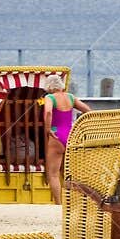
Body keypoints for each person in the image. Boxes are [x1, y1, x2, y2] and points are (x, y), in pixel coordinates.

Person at [41, 73, 87, 204]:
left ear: (49, 86)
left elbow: (49, 112)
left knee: (53, 173)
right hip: (70, 135)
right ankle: (74, 202)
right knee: (70, 173)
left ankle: (58, 204)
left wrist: (48, 128)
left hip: (56, 135)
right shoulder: (71, 97)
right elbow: (87, 110)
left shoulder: (50, 97)